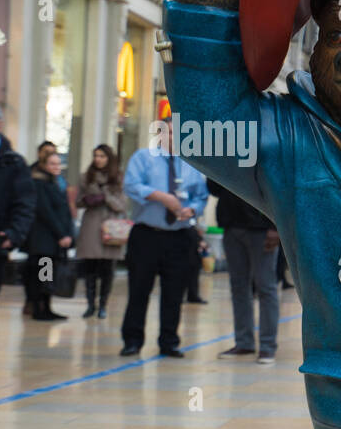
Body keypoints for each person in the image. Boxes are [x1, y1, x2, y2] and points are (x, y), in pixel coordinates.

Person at [119, 119, 208, 357]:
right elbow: (131, 185)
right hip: (147, 234)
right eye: (169, 132)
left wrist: (193, 210)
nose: (173, 137)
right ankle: (133, 340)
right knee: (139, 288)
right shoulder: (143, 158)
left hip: (179, 236)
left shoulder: (193, 164)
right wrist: (160, 196)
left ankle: (169, 341)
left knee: (174, 292)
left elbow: (201, 197)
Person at [208, 179, 279, 364]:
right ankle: (244, 342)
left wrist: (276, 226)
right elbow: (214, 188)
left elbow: (278, 187)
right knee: (238, 287)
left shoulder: (266, 150)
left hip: (262, 228)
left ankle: (267, 346)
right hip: (231, 225)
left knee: (265, 287)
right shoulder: (225, 152)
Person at [75, 144, 127, 318]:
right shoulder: (85, 177)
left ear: (109, 158)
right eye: (96, 155)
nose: (98, 159)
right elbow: (77, 202)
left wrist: (106, 196)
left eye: (102, 156)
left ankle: (103, 304)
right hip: (91, 224)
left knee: (107, 269)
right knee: (90, 268)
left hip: (111, 227)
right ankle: (90, 305)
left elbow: (122, 205)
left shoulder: (118, 178)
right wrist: (88, 199)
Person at [23, 150, 75, 320]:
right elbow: (46, 212)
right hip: (44, 240)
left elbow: (64, 211)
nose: (56, 167)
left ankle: (47, 308)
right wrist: (61, 234)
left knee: (48, 275)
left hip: (53, 241)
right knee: (42, 275)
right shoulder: (39, 184)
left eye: (58, 164)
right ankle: (39, 309)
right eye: (52, 164)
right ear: (44, 165)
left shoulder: (56, 183)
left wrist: (68, 234)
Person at [0, 106, 36, 305]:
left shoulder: (14, 163)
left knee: (44, 274)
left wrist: (14, 234)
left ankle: (40, 305)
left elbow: (25, 204)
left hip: (0, 239)